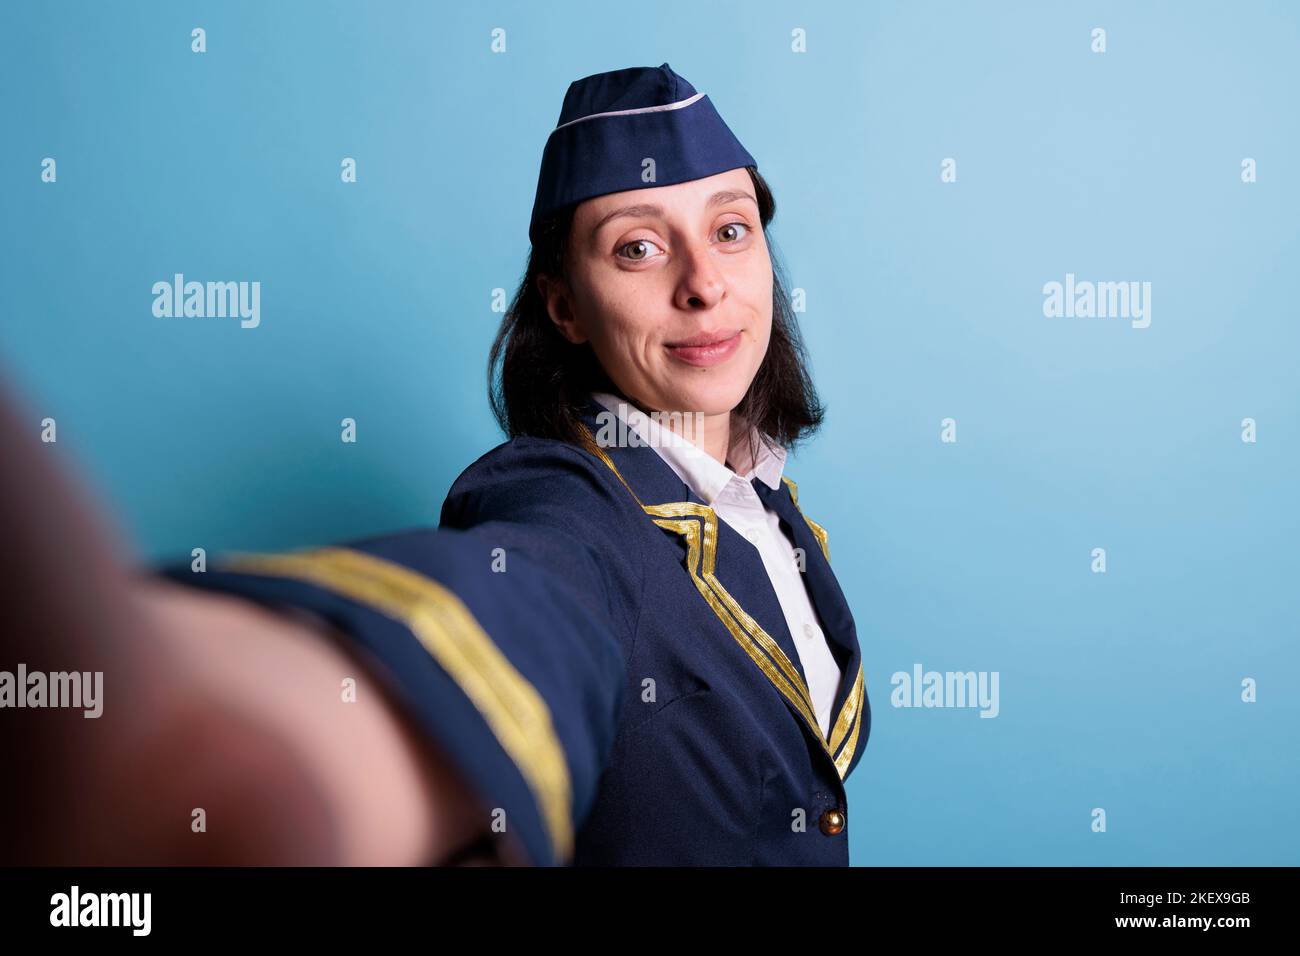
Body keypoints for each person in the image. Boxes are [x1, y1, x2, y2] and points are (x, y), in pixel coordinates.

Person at [0, 62, 868, 867]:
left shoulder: (771, 512)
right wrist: (188, 739)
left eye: (729, 229)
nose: (704, 283)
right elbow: (520, 608)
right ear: (564, 306)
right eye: (637, 247)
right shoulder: (567, 511)